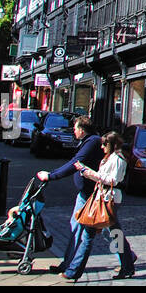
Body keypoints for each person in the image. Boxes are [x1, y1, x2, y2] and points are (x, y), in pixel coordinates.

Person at [36, 116, 103, 274]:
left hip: (92, 195)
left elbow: (76, 163)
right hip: (87, 193)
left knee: (87, 232)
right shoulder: (90, 141)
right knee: (102, 230)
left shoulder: (92, 141)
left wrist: (52, 176)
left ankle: (71, 268)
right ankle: (127, 257)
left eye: (75, 128)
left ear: (81, 129)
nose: (73, 131)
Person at [66, 131, 137, 281]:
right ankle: (127, 265)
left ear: (111, 144)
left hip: (108, 199)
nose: (102, 147)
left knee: (90, 234)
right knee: (114, 234)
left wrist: (89, 173)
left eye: (105, 144)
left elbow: (113, 180)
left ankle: (73, 271)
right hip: (101, 197)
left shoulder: (118, 159)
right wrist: (87, 172)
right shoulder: (109, 157)